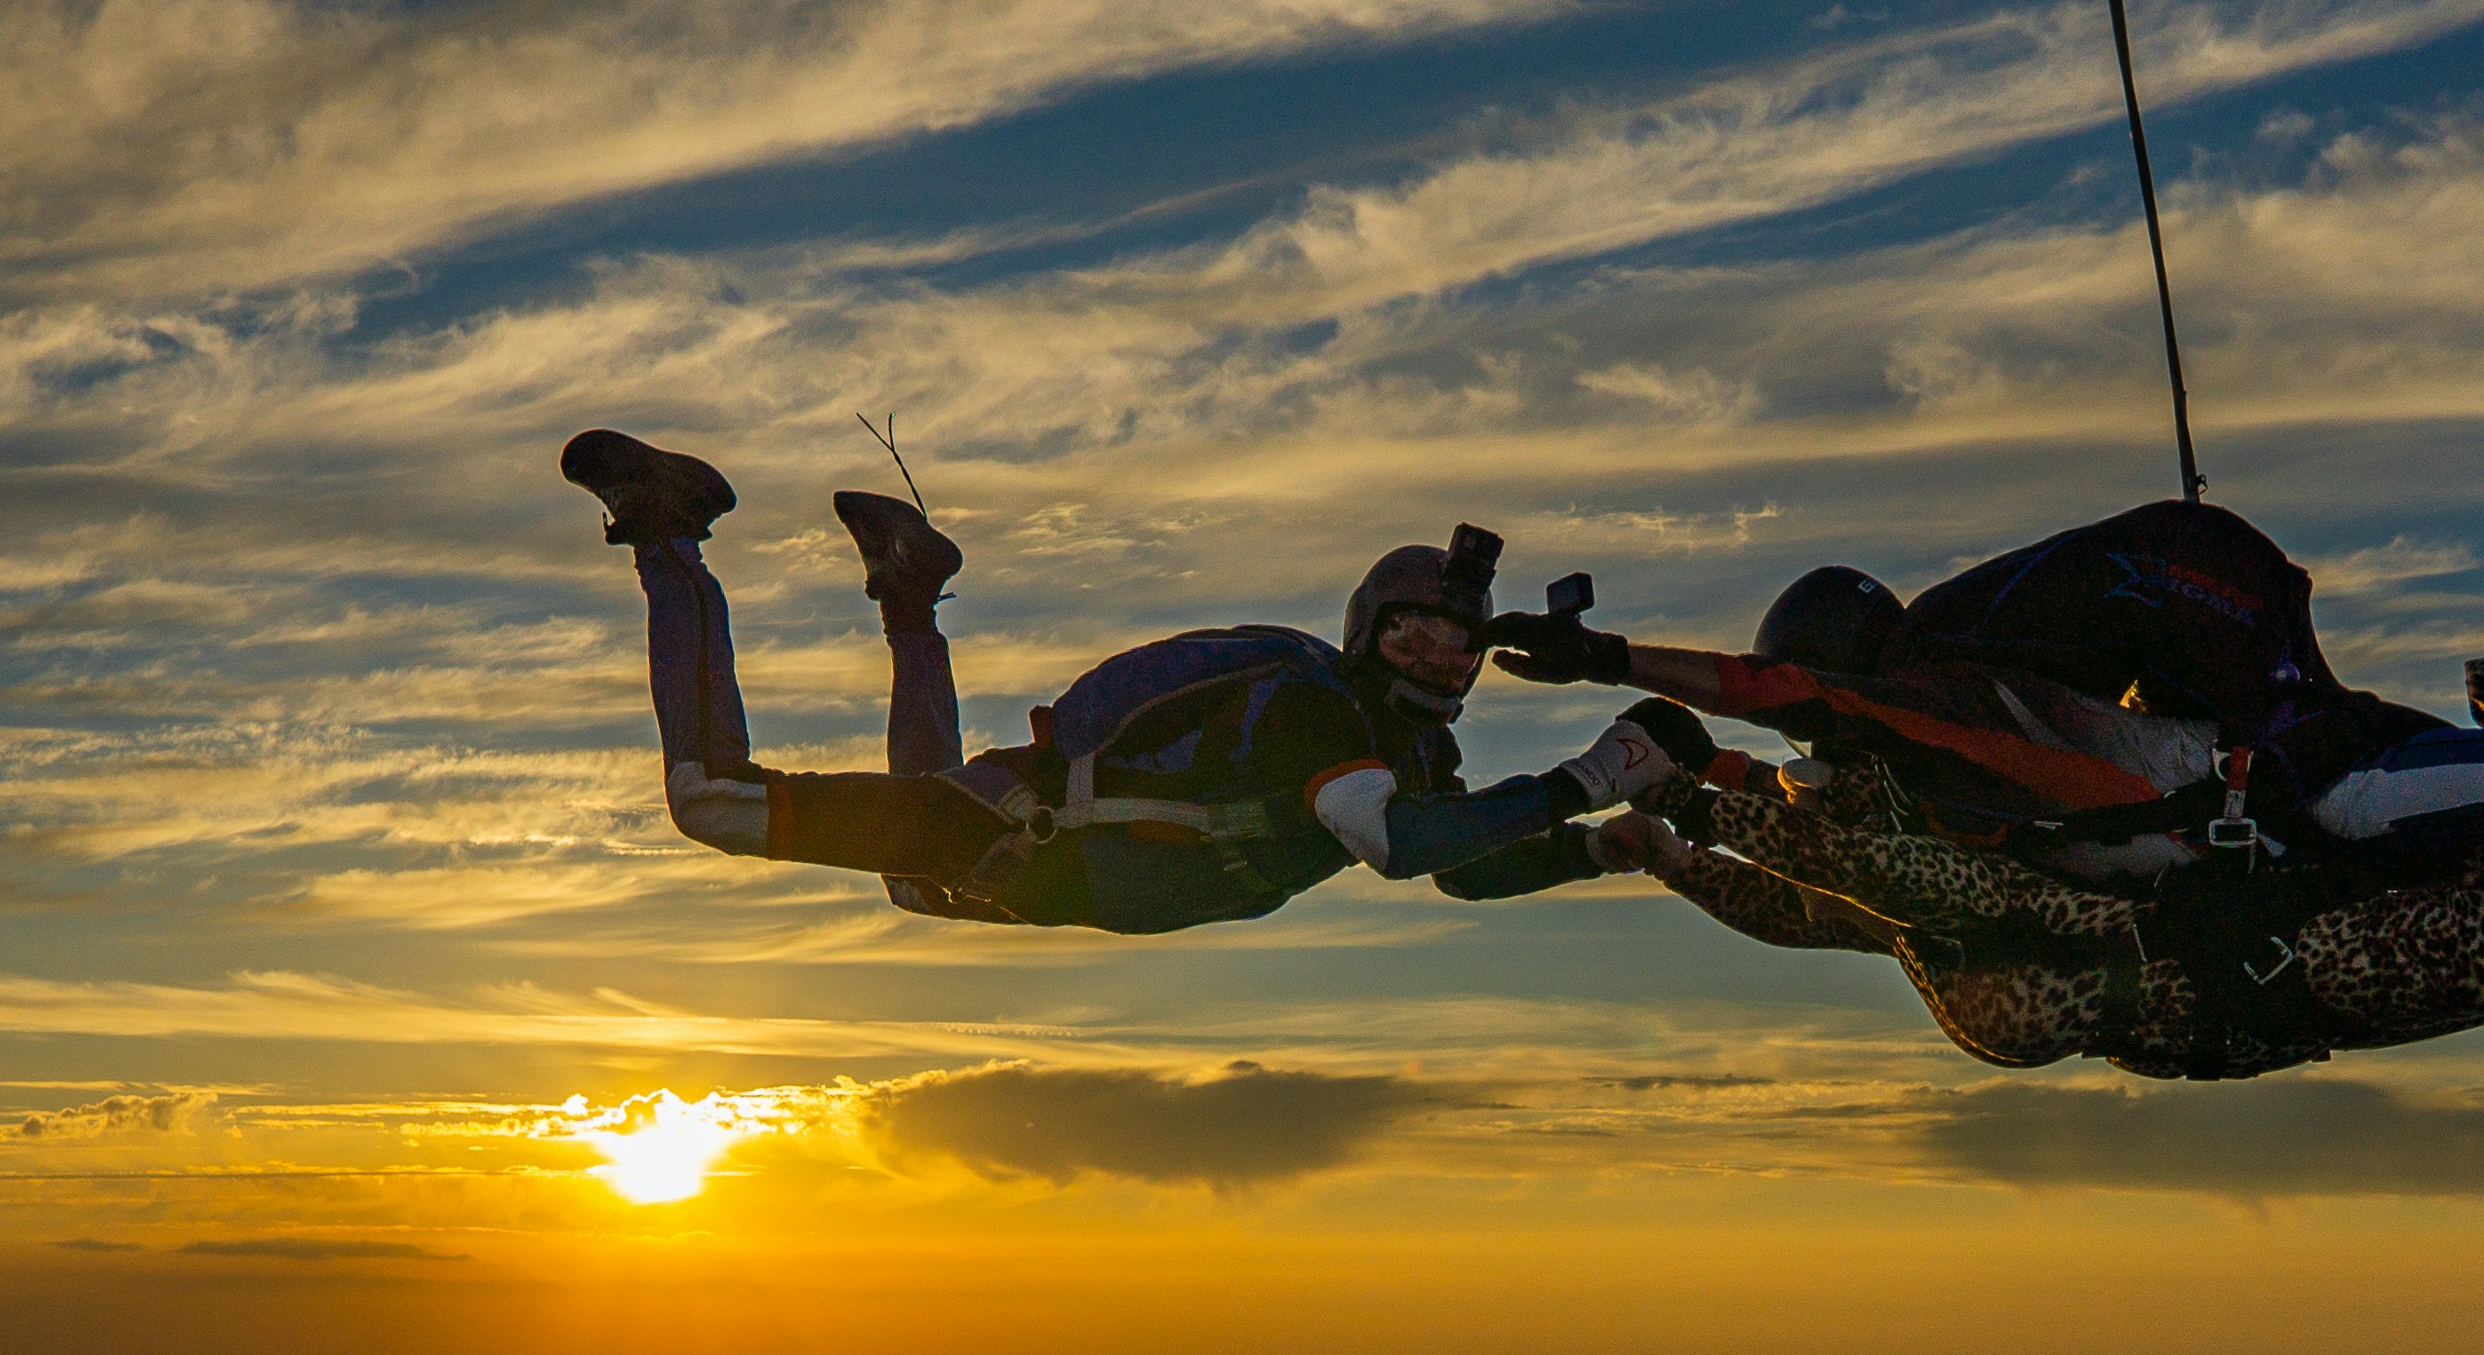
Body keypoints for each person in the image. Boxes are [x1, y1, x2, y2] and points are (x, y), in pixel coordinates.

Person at [1517, 423, 2484, 1075]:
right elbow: (1797, 886)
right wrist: (1654, 839)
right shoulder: (1905, 843)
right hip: (2281, 945)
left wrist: (1636, 738)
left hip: (2290, 886)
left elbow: (1797, 777)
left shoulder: (1945, 747)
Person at [559, 430, 1707, 934]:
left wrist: (1589, 850)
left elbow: (1457, 870)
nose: (1440, 655)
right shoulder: (1321, 713)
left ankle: (912, 596)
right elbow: (1397, 845)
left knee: (913, 872)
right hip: (1030, 835)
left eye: (1458, 643)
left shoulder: (1410, 756)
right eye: (1414, 632)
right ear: (1370, 630)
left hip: (1036, 861)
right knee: (709, 800)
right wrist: (1593, 778)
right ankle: (672, 531)